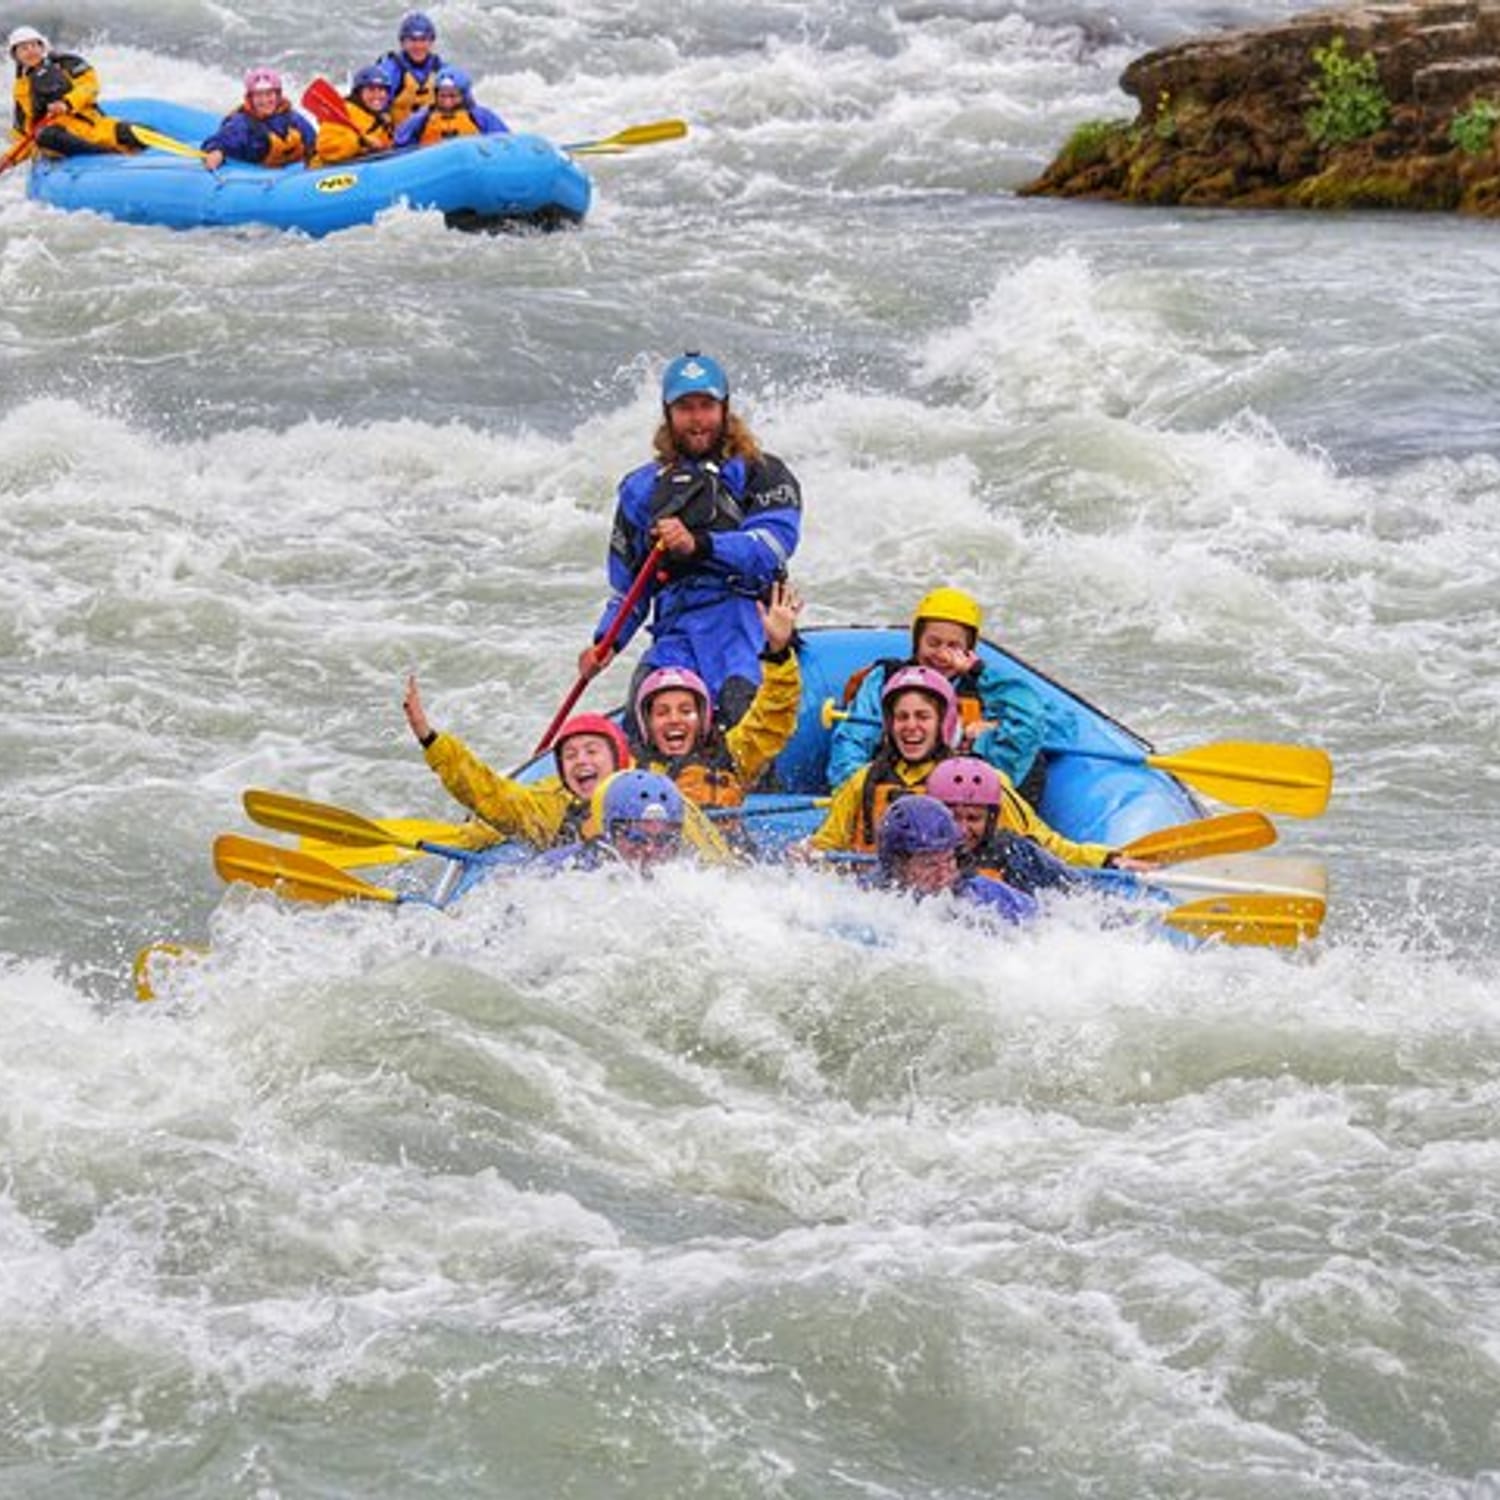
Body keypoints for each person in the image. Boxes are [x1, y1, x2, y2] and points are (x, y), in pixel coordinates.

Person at [578, 352, 803, 731]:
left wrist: (699, 545)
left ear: (724, 409)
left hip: (746, 623)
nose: (697, 419)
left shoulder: (761, 472)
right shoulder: (640, 489)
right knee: (645, 716)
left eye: (706, 406)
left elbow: (773, 545)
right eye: (685, 408)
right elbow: (629, 588)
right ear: (669, 414)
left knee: (740, 711)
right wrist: (607, 642)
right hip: (677, 630)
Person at [403, 676, 732, 861]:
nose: (582, 761)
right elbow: (490, 794)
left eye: (592, 751)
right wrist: (431, 740)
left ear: (618, 759)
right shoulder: (551, 806)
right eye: (571, 755)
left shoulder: (653, 795)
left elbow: (713, 862)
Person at [826, 586, 1047, 798]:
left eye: (953, 647)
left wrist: (982, 683)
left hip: (959, 801)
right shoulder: (885, 680)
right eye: (933, 643)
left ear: (969, 651)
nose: (941, 655)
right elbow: (853, 741)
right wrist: (854, 795)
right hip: (893, 794)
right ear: (917, 642)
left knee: (1035, 761)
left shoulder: (986, 692)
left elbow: (1029, 723)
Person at [631, 580, 802, 825]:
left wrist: (779, 650)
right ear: (646, 724)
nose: (674, 719)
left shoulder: (733, 754)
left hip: (727, 846)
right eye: (662, 712)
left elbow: (774, 714)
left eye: (686, 711)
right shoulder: (633, 771)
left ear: (703, 719)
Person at [807, 665, 961, 855]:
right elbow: (825, 845)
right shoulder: (863, 780)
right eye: (902, 717)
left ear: (943, 723)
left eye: (923, 717)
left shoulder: (968, 781)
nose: (911, 726)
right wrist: (807, 853)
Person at [872, 797, 1036, 925]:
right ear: (898, 866)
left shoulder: (984, 896)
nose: (944, 875)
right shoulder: (871, 903)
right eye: (930, 865)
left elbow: (1042, 924)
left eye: (949, 860)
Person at [8, 26, 143, 158]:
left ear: (42, 47)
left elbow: (90, 86)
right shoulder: (20, 88)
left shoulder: (66, 63)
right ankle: (108, 154)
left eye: (34, 45)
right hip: (58, 135)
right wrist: (10, 158)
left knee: (141, 133)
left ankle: (111, 149)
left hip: (90, 125)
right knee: (44, 136)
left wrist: (67, 103)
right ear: (16, 56)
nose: (31, 51)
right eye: (24, 48)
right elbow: (22, 132)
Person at [545, 769, 690, 873]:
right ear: (611, 833)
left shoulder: (684, 876)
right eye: (637, 838)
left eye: (663, 840)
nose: (649, 849)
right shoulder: (566, 869)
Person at [202, 69, 315, 171]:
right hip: (258, 175)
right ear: (250, 99)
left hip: (293, 172)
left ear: (278, 95)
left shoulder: (292, 117)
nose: (264, 100)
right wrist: (216, 152)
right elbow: (219, 141)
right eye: (259, 95)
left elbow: (313, 141)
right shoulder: (242, 123)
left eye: (269, 94)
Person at [393, 67, 507, 149]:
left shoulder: (481, 116)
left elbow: (505, 142)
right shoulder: (422, 117)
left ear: (464, 95)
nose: (447, 101)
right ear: (436, 95)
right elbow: (400, 144)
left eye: (453, 96)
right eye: (443, 96)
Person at [376, 10, 445, 127]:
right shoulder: (389, 70)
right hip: (397, 134)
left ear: (431, 42)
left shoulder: (440, 68)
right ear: (402, 43)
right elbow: (372, 105)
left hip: (431, 134)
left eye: (423, 40)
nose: (418, 46)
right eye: (412, 40)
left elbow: (464, 103)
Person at [314, 65, 395, 163]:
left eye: (381, 90)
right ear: (358, 93)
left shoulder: (383, 118)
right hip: (329, 170)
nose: (377, 95)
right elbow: (325, 148)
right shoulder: (343, 113)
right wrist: (360, 142)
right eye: (371, 90)